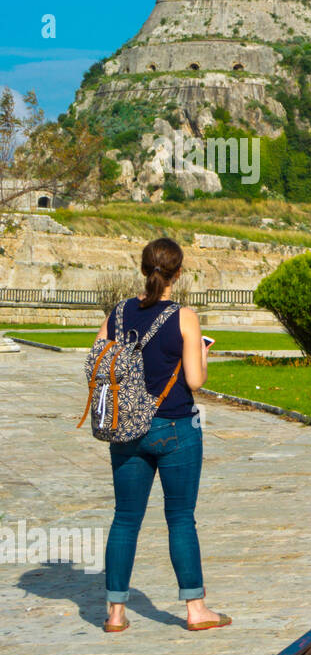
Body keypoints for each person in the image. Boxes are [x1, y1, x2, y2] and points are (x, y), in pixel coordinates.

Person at [97, 238, 230, 633]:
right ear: (178, 272)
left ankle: (116, 614)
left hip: (126, 428)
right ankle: (195, 609)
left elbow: (99, 363)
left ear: (142, 268)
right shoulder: (183, 316)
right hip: (174, 425)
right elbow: (194, 380)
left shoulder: (117, 313)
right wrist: (203, 354)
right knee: (180, 518)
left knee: (124, 520)